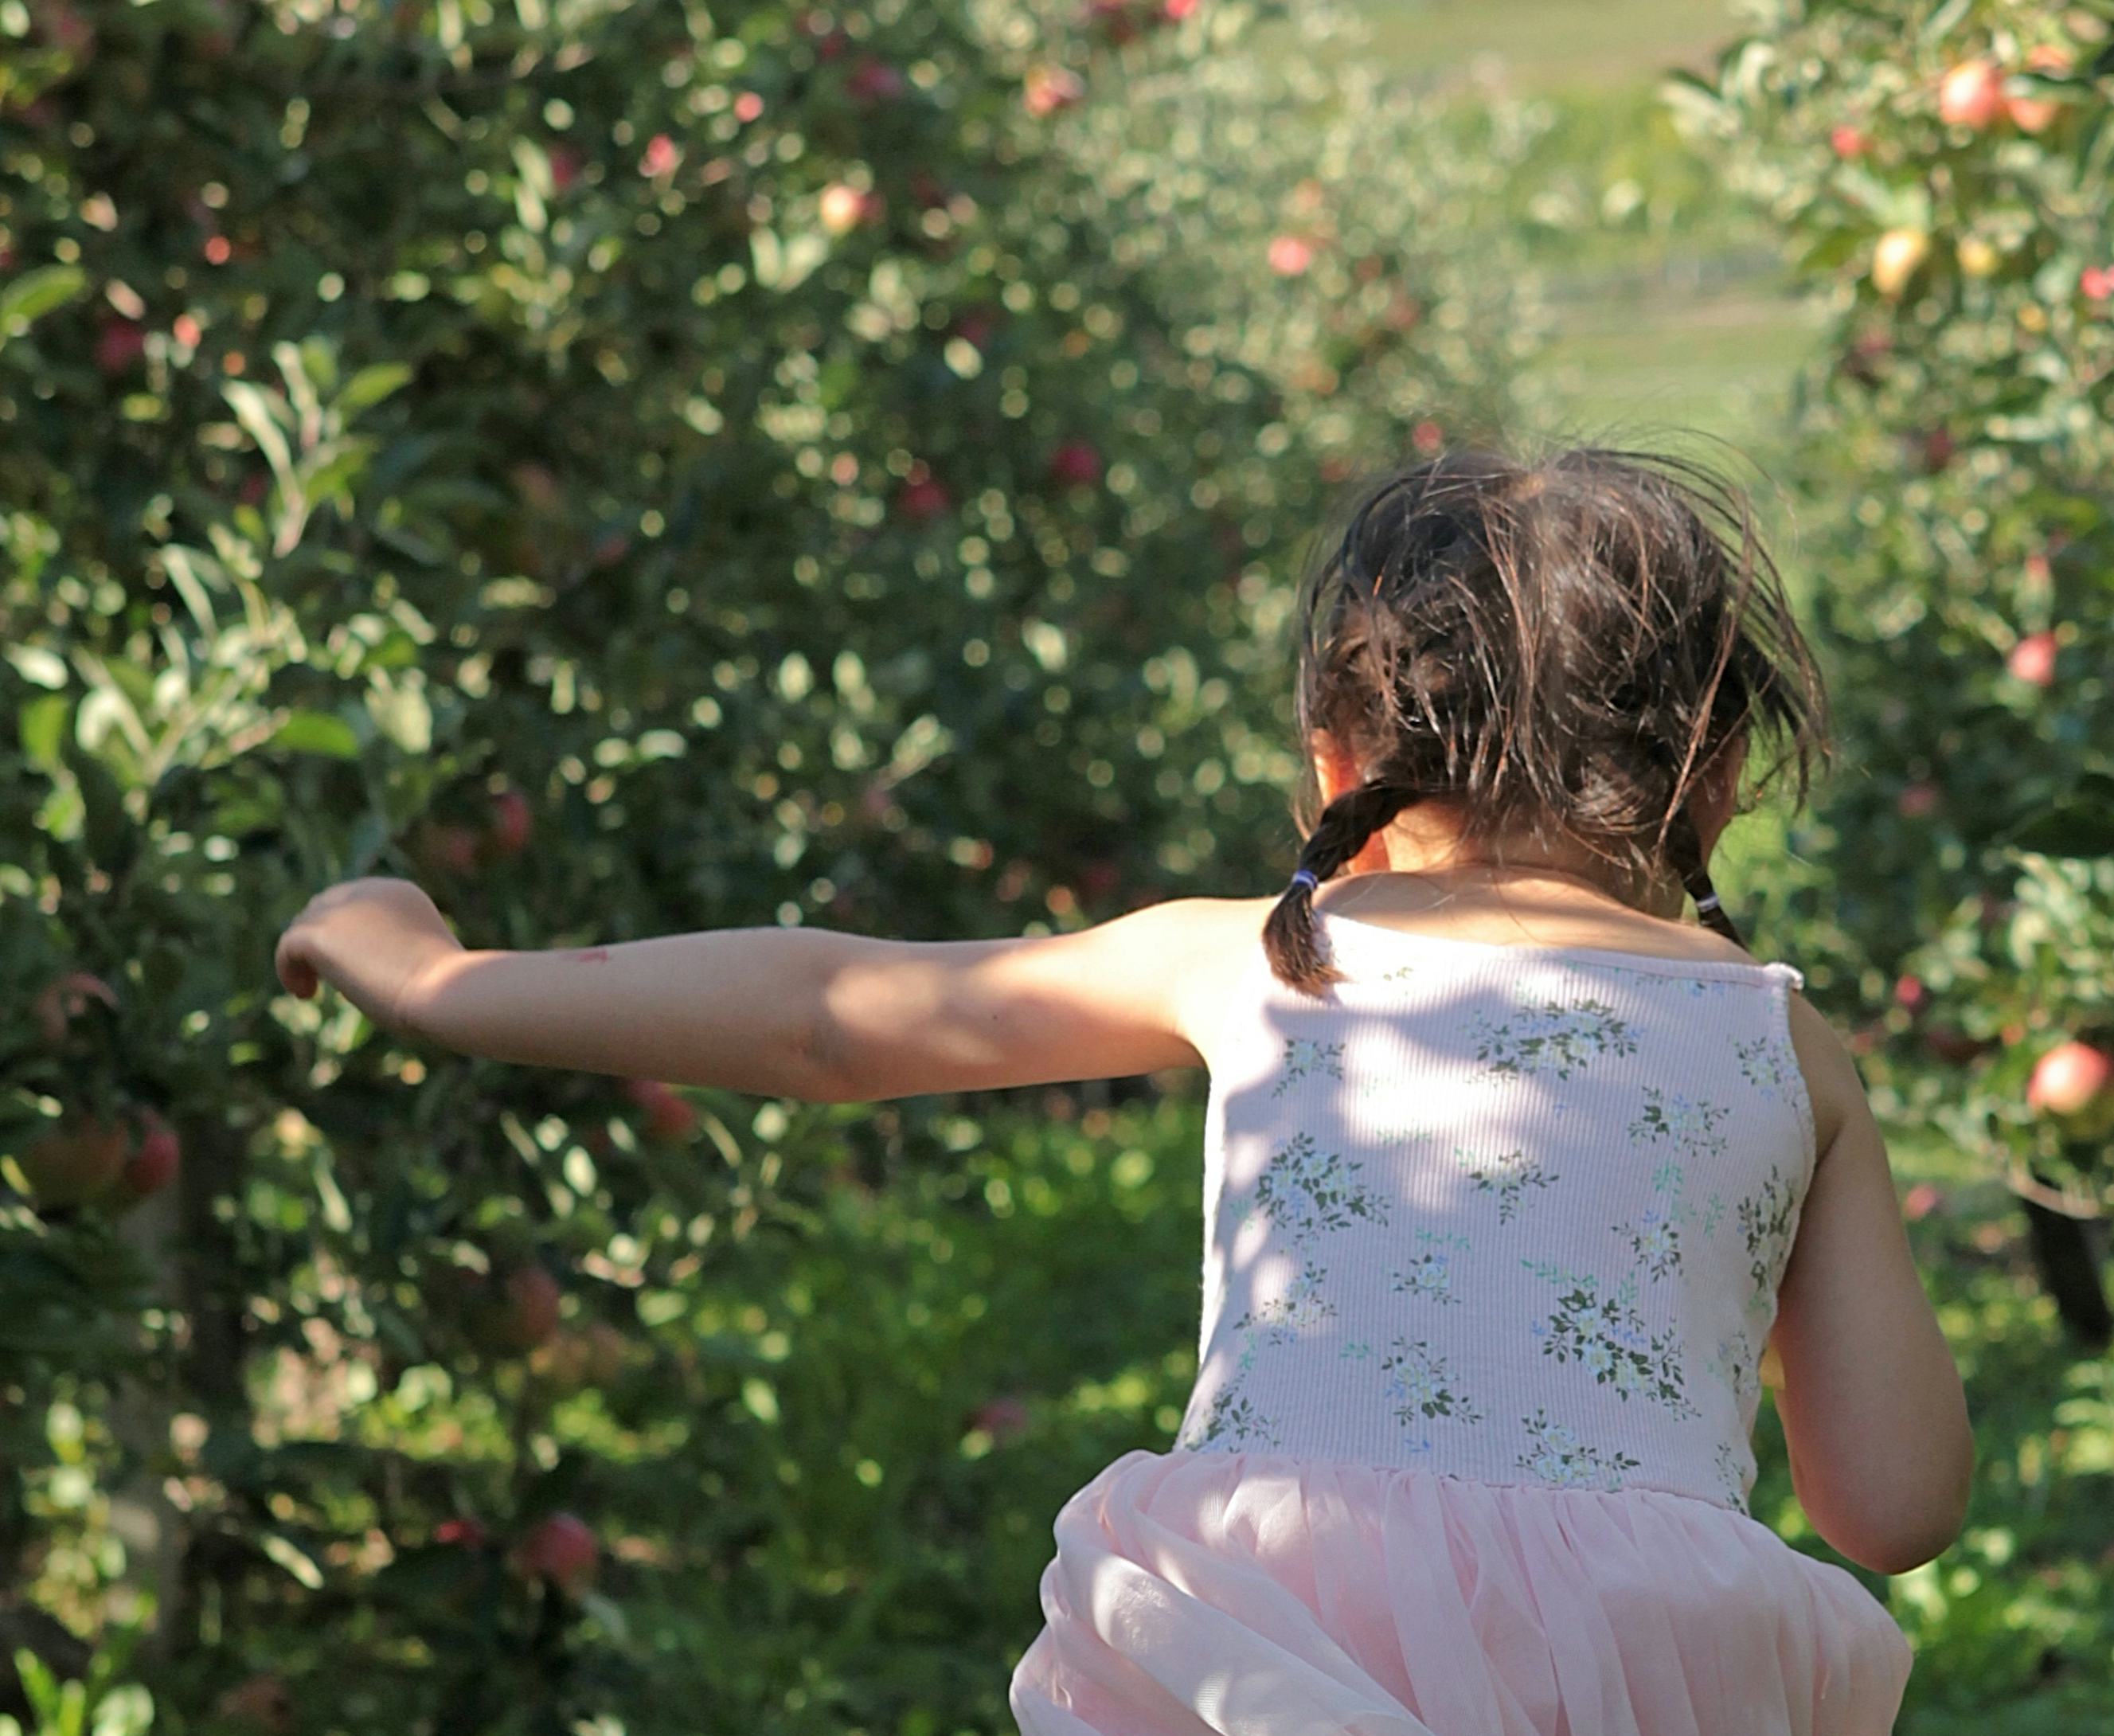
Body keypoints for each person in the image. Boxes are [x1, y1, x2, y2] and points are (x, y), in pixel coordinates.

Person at [274, 446, 1973, 1734]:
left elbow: (828, 1018)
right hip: (1646, 1668)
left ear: (1337, 763)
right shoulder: (1779, 1045)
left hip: (1276, 1634)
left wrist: (440, 981)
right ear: (1719, 773)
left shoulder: (1257, 959)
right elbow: (1892, 1505)